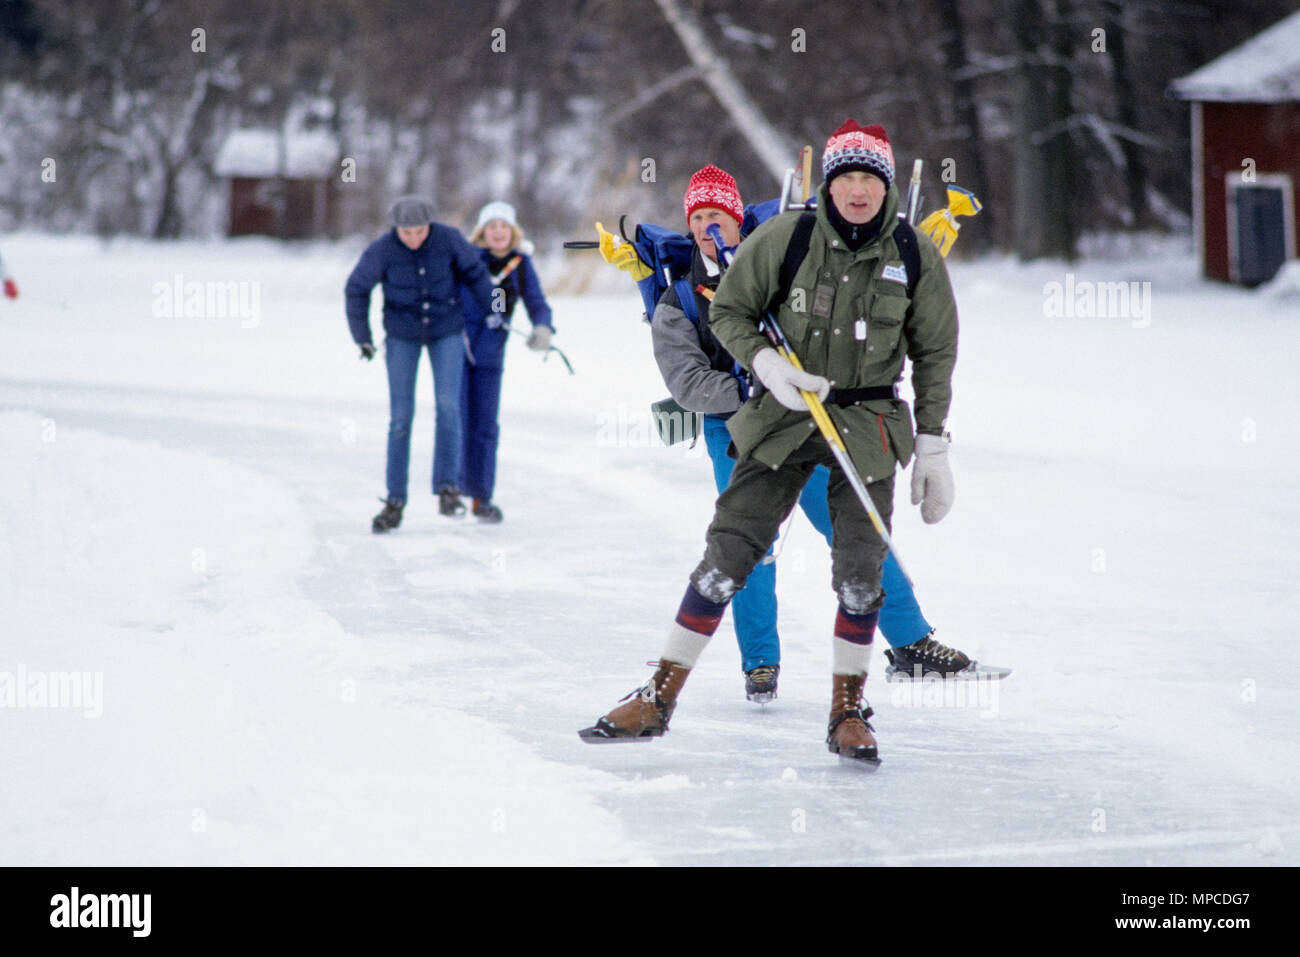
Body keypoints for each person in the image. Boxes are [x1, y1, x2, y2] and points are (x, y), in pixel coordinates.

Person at [582, 121, 959, 765]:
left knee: (860, 562)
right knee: (733, 551)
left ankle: (854, 703)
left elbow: (934, 351)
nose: (858, 190)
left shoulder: (909, 252)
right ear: (829, 186)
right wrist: (766, 371)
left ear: (886, 186)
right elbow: (721, 324)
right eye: (847, 178)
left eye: (871, 178)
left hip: (863, 427)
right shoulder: (781, 242)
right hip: (769, 423)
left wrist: (933, 444)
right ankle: (668, 694)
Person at [650, 165, 973, 705]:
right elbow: (687, 383)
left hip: (814, 418)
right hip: (735, 431)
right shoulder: (678, 299)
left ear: (736, 221)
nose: (710, 227)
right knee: (751, 549)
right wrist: (760, 387)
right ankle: (760, 665)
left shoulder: (781, 258)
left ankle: (912, 642)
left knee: (859, 532)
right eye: (699, 217)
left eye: (720, 217)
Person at [345, 195, 496, 533]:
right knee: (400, 417)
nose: (413, 238)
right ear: (395, 229)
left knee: (448, 407)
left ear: (430, 225)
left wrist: (494, 310)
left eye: (419, 231)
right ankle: (394, 500)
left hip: (447, 331)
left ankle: (447, 488)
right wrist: (362, 336)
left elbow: (476, 274)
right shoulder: (382, 249)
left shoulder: (449, 240)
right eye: (406, 232)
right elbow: (356, 289)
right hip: (402, 335)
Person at [458, 201, 555, 523]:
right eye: (491, 226)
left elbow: (538, 303)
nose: (498, 232)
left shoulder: (521, 265)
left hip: (490, 356)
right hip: (455, 351)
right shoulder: (466, 259)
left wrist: (542, 328)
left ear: (512, 232)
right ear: (482, 232)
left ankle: (480, 498)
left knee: (485, 426)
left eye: (504, 226)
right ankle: (452, 491)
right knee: (456, 421)